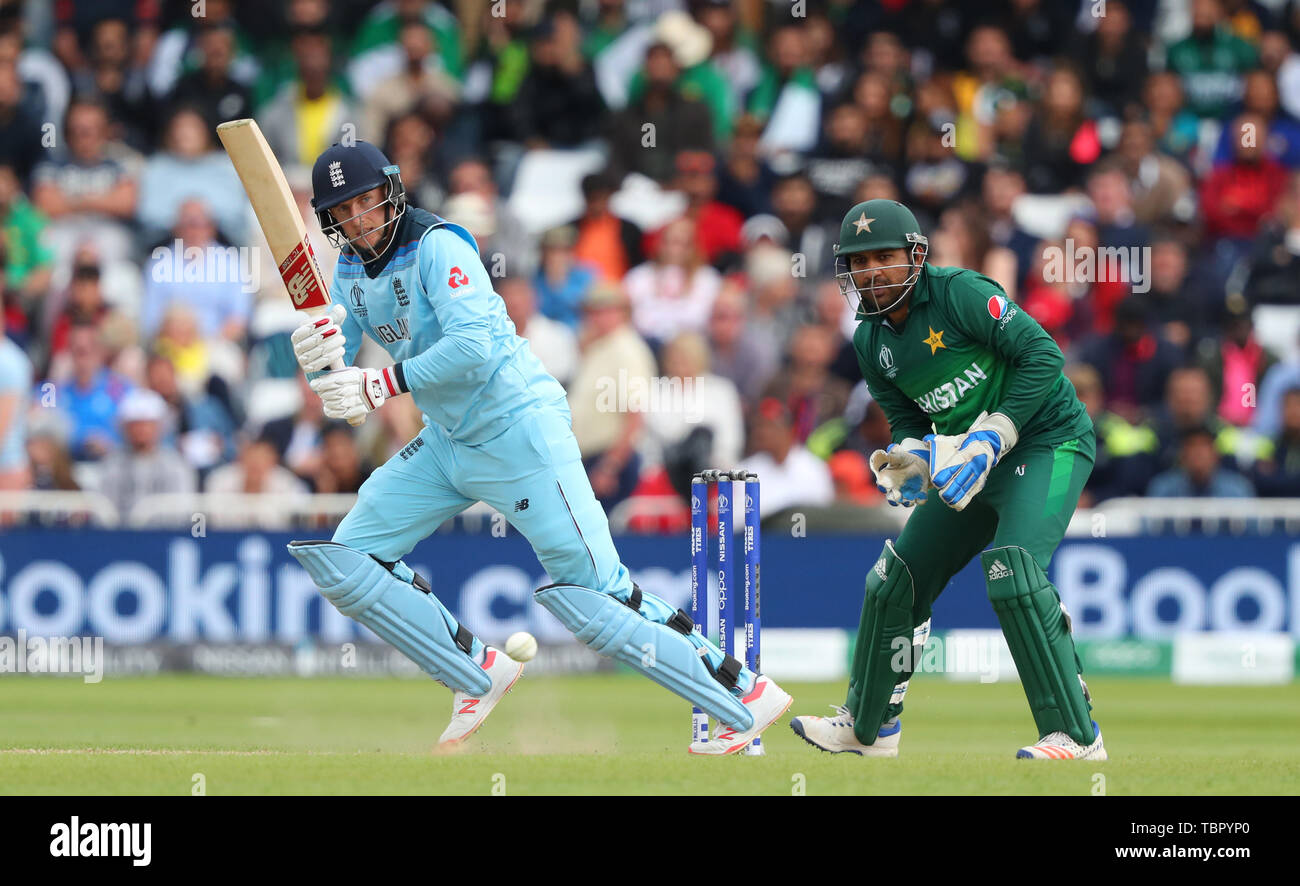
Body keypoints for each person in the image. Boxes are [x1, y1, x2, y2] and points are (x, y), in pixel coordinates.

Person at [286, 140, 791, 754]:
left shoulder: (439, 245)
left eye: (368, 201)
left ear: (392, 191)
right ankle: (476, 671)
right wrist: (319, 364)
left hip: (519, 431)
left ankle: (745, 696)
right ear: (330, 220)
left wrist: (380, 382)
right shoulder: (347, 272)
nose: (360, 219)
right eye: (345, 210)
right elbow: (338, 352)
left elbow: (473, 348)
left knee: (594, 598)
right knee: (349, 561)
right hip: (448, 441)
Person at [789, 199, 1106, 761]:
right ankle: (869, 728)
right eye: (860, 262)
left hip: (1048, 439)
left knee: (1014, 569)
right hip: (972, 462)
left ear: (916, 254)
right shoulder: (869, 341)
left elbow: (1043, 355)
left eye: (885, 257)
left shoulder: (959, 292)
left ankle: (1077, 735)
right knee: (896, 580)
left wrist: (994, 435)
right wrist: (910, 457)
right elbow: (910, 416)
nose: (872, 273)